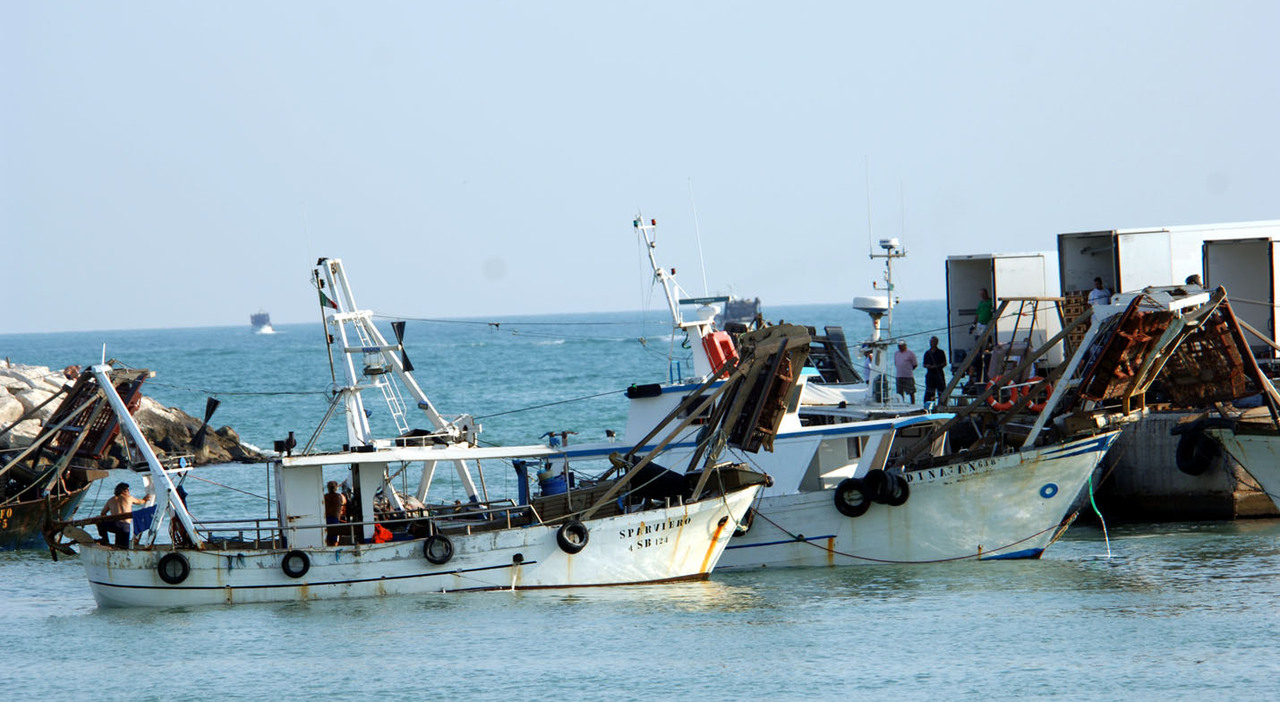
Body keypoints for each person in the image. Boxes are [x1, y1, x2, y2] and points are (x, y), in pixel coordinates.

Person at [97, 482, 146, 549]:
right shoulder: (129, 498)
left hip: (114, 525)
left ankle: (105, 539)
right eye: (128, 490)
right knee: (123, 547)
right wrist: (145, 499)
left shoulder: (111, 500)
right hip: (125, 526)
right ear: (124, 491)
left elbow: (103, 513)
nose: (129, 492)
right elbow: (140, 502)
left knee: (99, 521)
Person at [922, 336, 947, 405]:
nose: (932, 343)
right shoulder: (927, 353)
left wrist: (937, 366)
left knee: (941, 391)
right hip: (930, 375)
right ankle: (929, 405)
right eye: (931, 342)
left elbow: (944, 363)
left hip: (939, 374)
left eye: (933, 342)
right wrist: (929, 366)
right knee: (929, 392)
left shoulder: (941, 352)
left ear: (937, 343)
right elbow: (924, 364)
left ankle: (942, 405)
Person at [324, 480, 347, 546]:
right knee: (335, 539)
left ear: (328, 488)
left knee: (328, 538)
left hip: (327, 519)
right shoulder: (340, 497)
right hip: (335, 519)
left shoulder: (325, 497)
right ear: (336, 488)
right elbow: (345, 503)